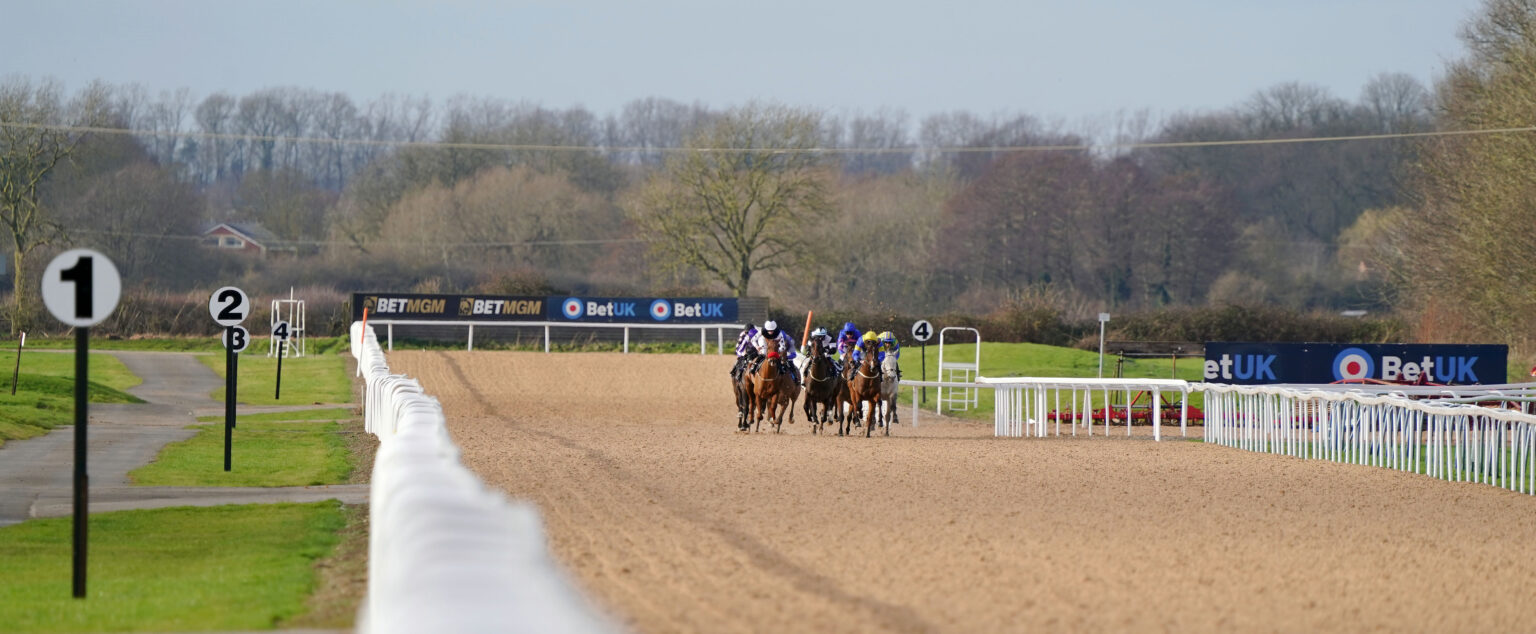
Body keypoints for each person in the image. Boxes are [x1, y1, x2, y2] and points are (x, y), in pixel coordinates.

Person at [752, 320, 801, 386]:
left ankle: (781, 369)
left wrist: (775, 351)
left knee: (777, 356)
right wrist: (757, 346)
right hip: (764, 340)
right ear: (766, 329)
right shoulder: (762, 331)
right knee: (763, 352)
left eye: (772, 330)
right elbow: (753, 340)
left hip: (775, 343)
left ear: (775, 329)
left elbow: (782, 347)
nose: (770, 332)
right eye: (769, 330)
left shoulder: (779, 334)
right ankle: (754, 366)